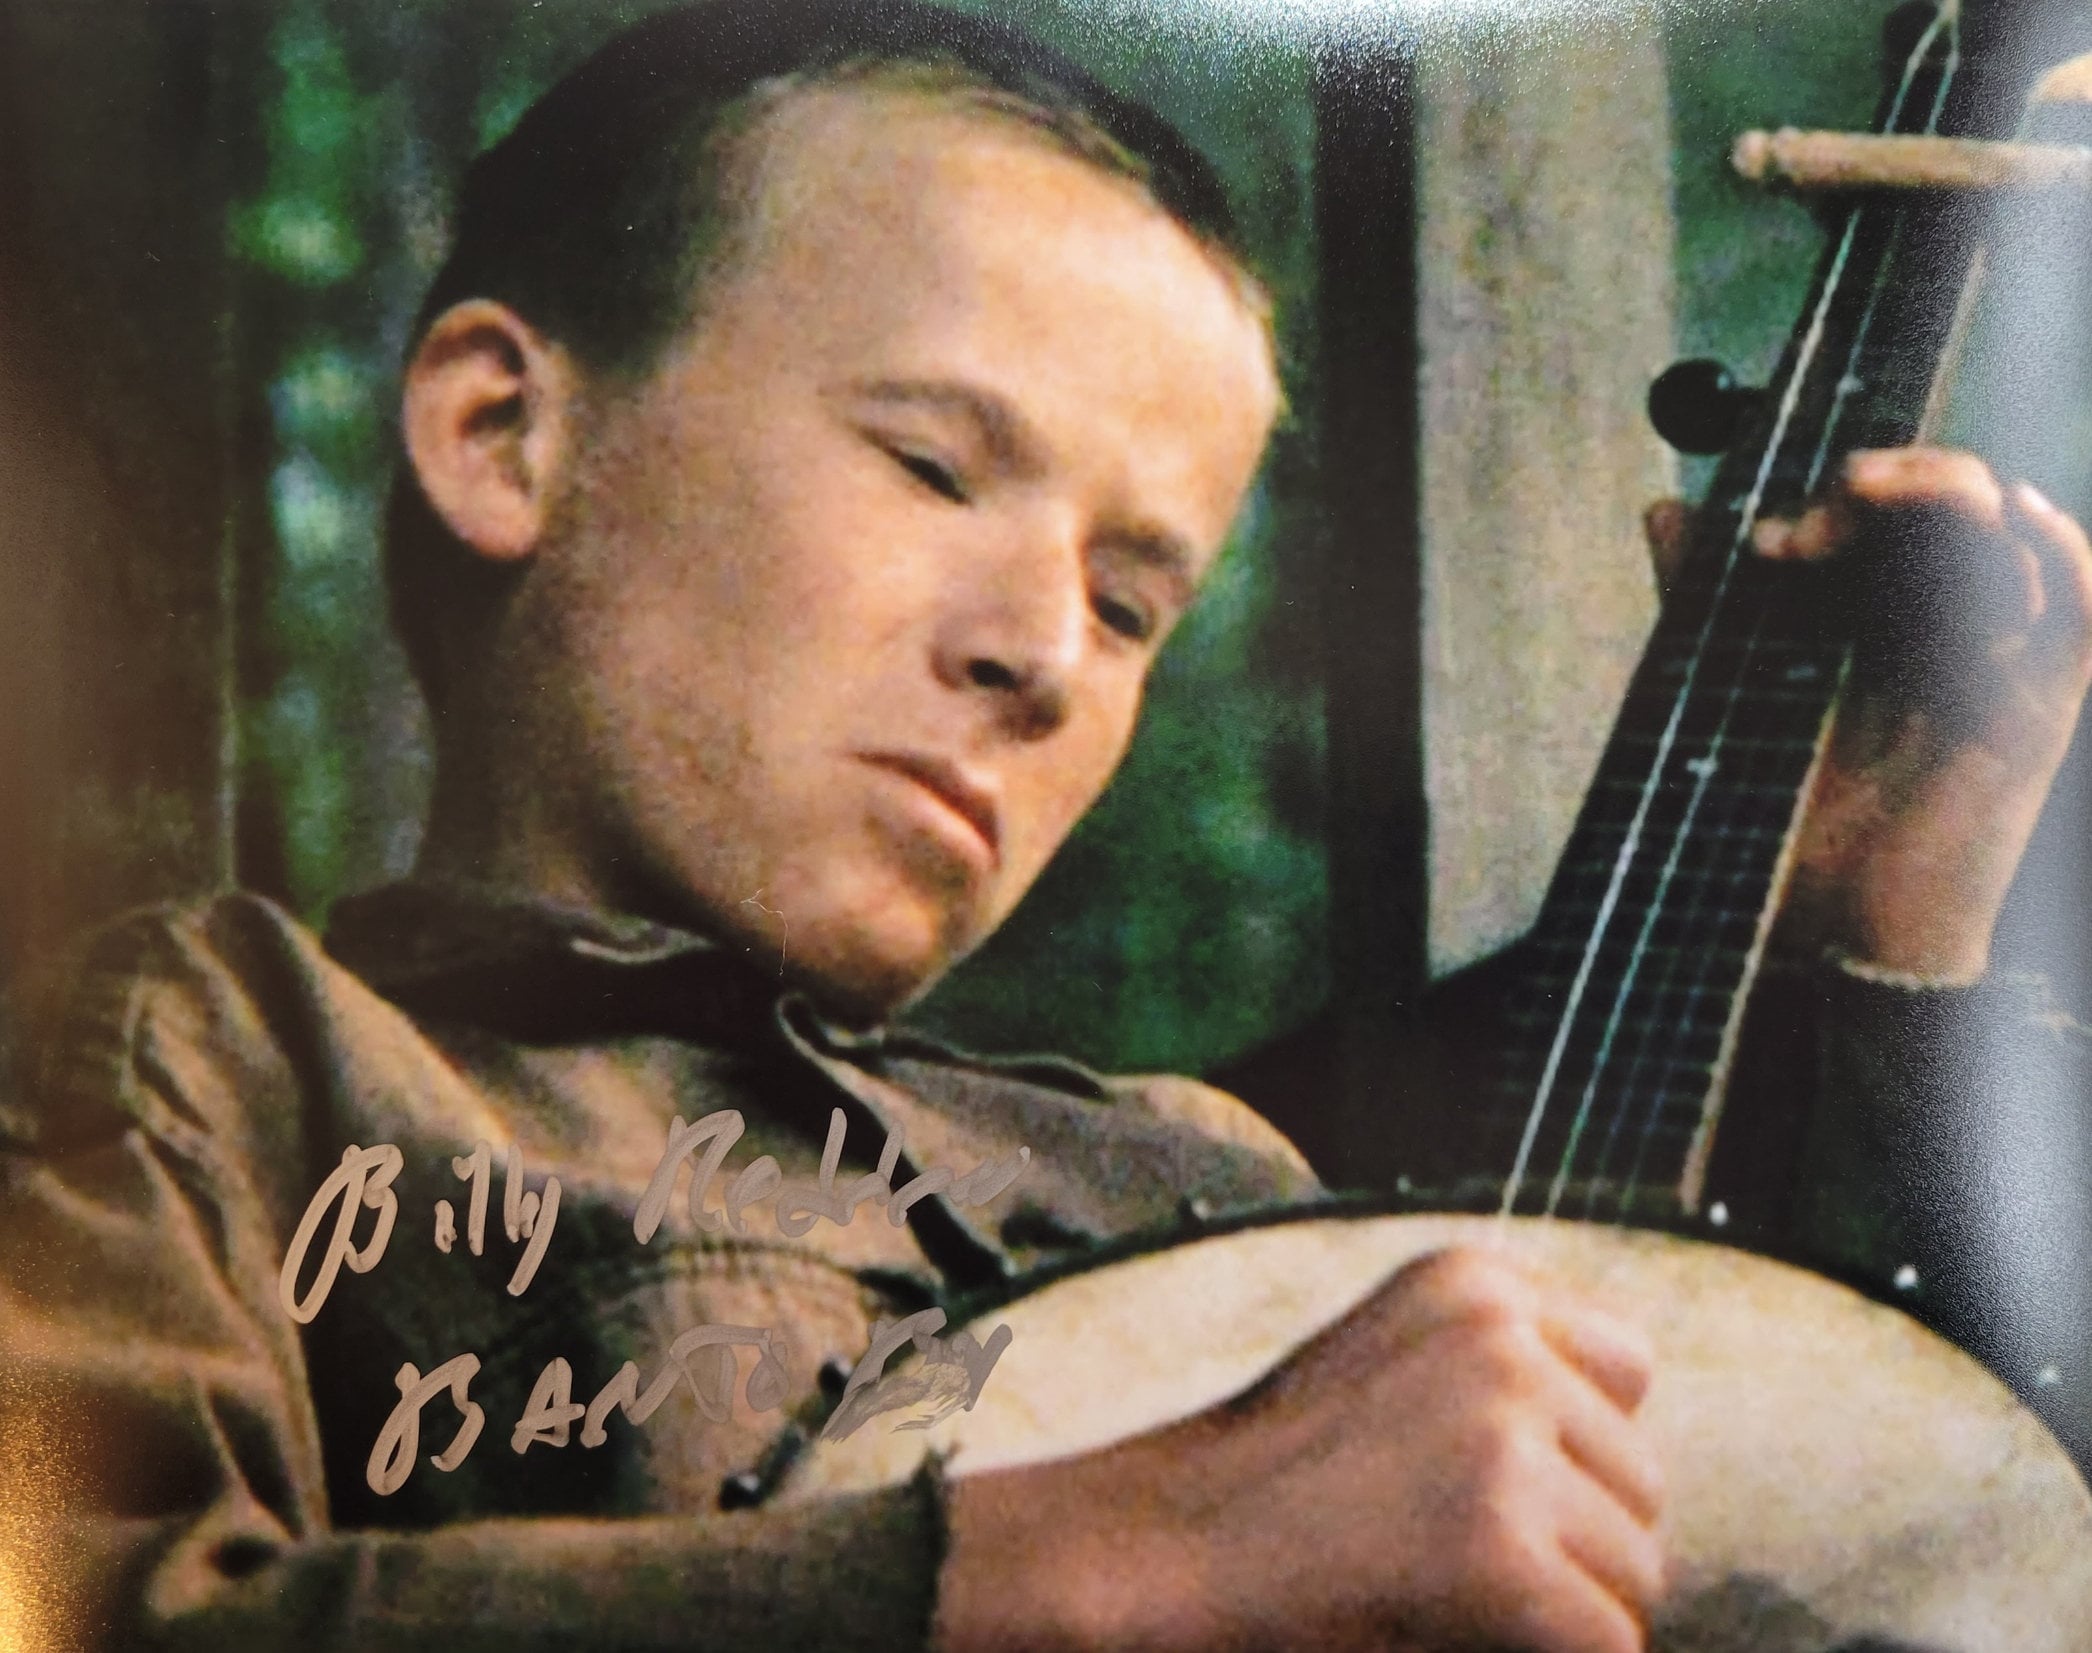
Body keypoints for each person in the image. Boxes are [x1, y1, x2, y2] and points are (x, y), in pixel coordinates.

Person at [1, 3, 2087, 1650]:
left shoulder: (1191, 1175)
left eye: (1130, 599)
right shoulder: (230, 1052)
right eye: (928, 463)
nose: (1044, 654)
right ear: (496, 432)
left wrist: (1868, 936)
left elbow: (1880, 1538)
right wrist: (1065, 1558)